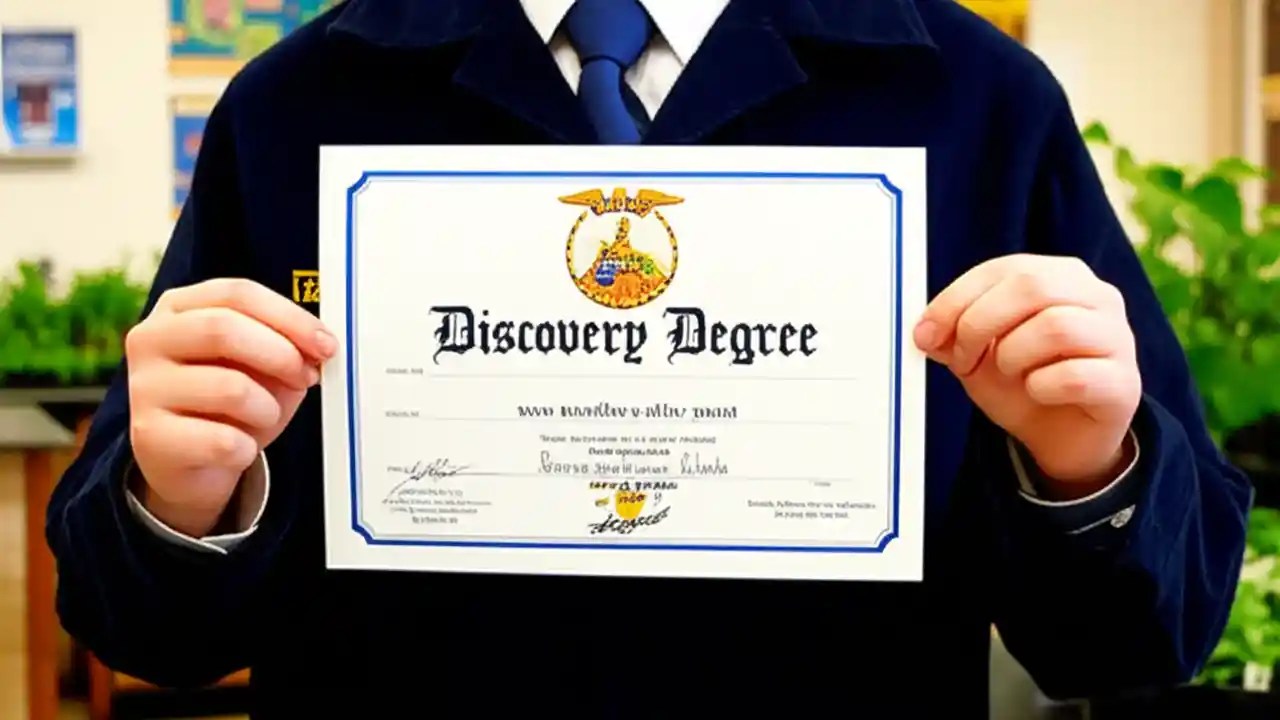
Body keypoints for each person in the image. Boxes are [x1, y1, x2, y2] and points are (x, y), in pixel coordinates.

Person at [47, 0, 1252, 716]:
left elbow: (1143, 638)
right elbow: (143, 628)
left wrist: (1088, 468)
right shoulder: (294, 105)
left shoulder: (976, 98)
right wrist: (179, 501)